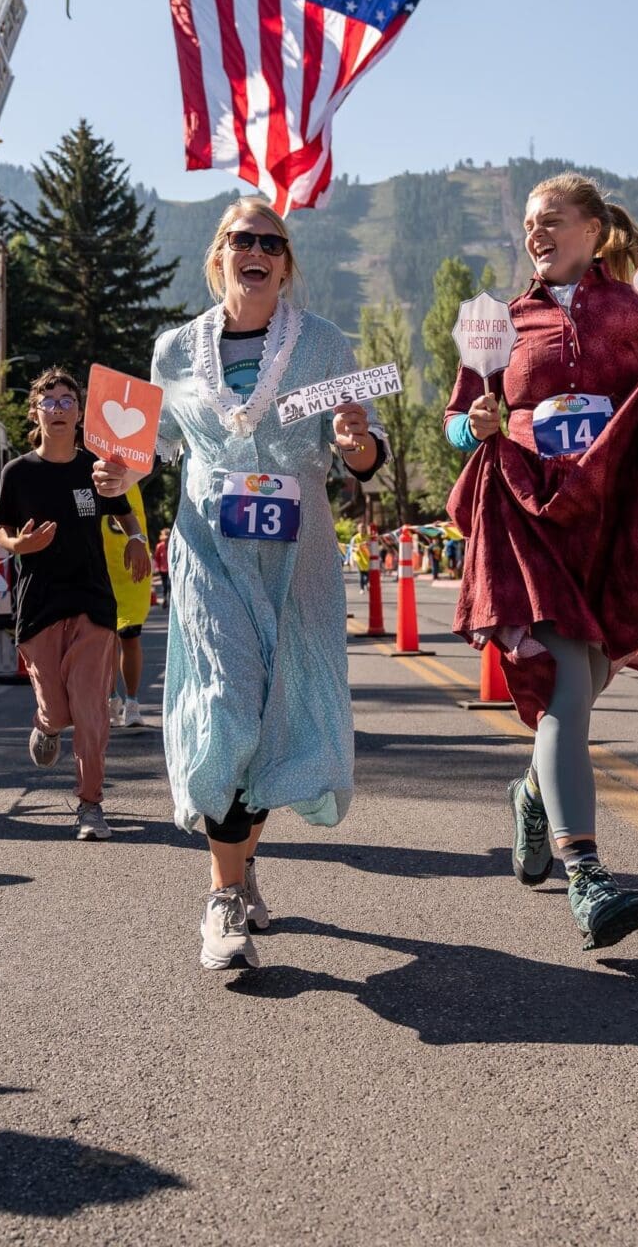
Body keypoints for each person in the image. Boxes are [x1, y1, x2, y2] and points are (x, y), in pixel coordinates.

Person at [444, 172, 638, 952]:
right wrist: (472, 423)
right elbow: (456, 425)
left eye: (549, 220)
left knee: (586, 684)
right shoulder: (499, 323)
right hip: (527, 520)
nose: (534, 234)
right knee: (564, 687)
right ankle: (586, 874)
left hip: (616, 523)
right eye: (526, 224)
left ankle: (531, 793)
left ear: (591, 228)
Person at [97, 196, 388, 972]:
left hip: (300, 555)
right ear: (217, 257)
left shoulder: (325, 346)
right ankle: (222, 898)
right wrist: (119, 469)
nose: (254, 249)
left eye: (270, 240)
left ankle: (242, 860)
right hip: (210, 550)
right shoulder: (171, 350)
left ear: (286, 264)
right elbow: (148, 448)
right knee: (227, 698)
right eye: (239, 239)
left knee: (277, 707)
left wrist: (357, 444)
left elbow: (365, 450)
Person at [0, 367, 151, 841]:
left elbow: (125, 514)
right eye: (49, 401)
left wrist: (138, 540)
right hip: (39, 605)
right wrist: (19, 545)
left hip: (93, 603)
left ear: (81, 413)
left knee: (91, 709)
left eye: (67, 401)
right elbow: (0, 532)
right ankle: (45, 724)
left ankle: (90, 805)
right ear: (36, 412)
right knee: (60, 713)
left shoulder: (96, 469)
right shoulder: (18, 473)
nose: (58, 409)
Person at [102, 481, 152, 728]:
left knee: (129, 636)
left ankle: (132, 703)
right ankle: (111, 699)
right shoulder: (88, 469)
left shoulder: (132, 472)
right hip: (100, 564)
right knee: (105, 638)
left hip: (131, 566)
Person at [153, 527, 170, 610]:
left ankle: (170, 600)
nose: (167, 537)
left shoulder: (173, 544)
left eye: (168, 535)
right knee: (165, 585)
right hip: (163, 569)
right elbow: (156, 558)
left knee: (170, 585)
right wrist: (157, 567)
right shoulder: (159, 546)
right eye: (165, 535)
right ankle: (165, 600)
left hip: (171, 570)